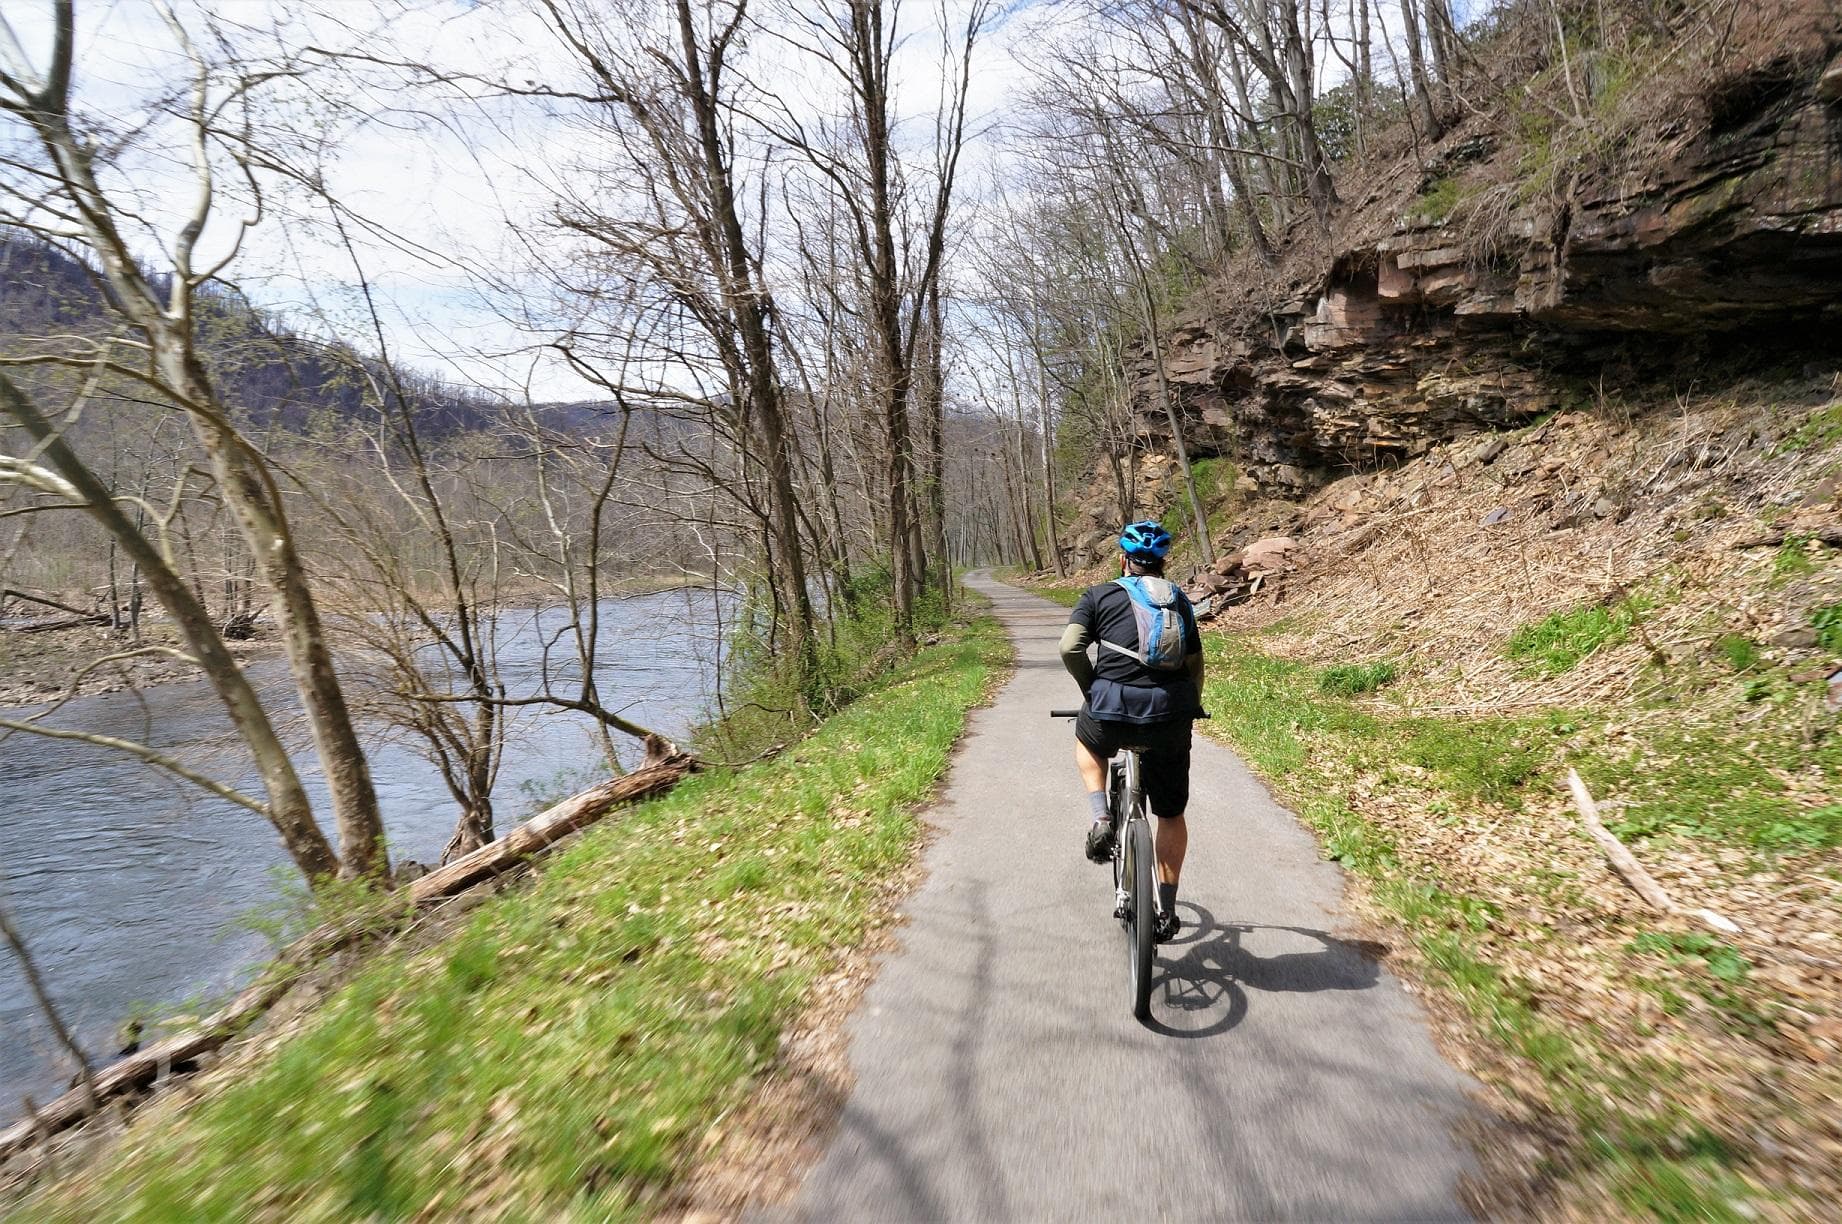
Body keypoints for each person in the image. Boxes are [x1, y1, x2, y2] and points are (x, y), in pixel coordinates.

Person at [1058, 520, 1204, 943]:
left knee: (1088, 742)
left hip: (1111, 711)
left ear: (1122, 560)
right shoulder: (1179, 600)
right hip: (1170, 718)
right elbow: (1194, 664)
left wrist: (1092, 690)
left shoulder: (1098, 595)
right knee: (1171, 813)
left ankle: (1101, 817)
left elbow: (1069, 648)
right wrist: (1190, 705)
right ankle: (1168, 909)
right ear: (1163, 564)